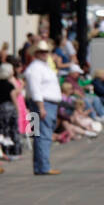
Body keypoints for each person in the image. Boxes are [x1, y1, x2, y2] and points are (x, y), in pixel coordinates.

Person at [23, 40, 62, 176]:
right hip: (42, 103)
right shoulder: (35, 69)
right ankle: (43, 166)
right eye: (42, 51)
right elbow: (35, 90)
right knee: (43, 135)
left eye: (46, 51)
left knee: (41, 135)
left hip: (47, 103)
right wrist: (41, 106)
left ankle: (40, 166)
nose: (45, 54)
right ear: (36, 53)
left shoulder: (43, 67)